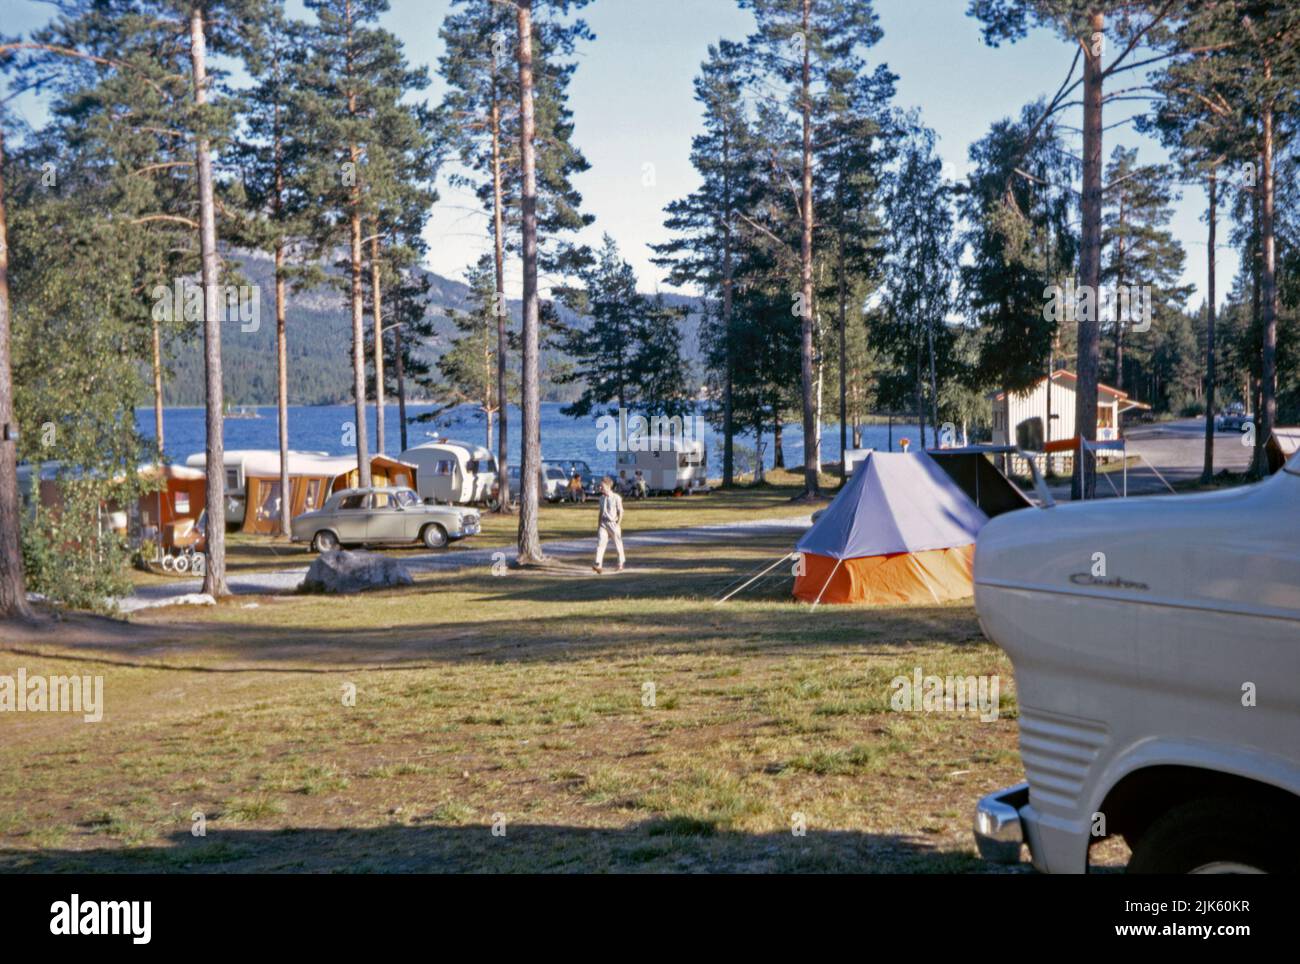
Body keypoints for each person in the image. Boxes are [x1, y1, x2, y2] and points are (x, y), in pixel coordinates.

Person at [593, 476, 624, 574]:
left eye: (602, 486)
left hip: (613, 523)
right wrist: (599, 526)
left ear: (608, 486)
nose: (600, 488)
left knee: (618, 544)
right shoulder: (601, 498)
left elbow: (621, 512)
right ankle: (598, 564)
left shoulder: (616, 498)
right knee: (600, 543)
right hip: (603, 523)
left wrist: (618, 524)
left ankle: (620, 563)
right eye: (600, 486)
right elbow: (601, 512)